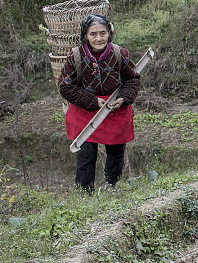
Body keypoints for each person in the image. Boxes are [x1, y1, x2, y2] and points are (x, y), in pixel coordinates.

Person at [59, 14, 141, 191]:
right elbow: (65, 86)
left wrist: (124, 98)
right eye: (93, 34)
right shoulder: (76, 56)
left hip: (114, 110)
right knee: (86, 155)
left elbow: (132, 79)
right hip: (85, 112)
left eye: (102, 33)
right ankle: (84, 192)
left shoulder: (120, 54)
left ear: (109, 33)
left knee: (116, 153)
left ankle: (113, 186)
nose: (98, 38)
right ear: (85, 36)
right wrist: (92, 101)